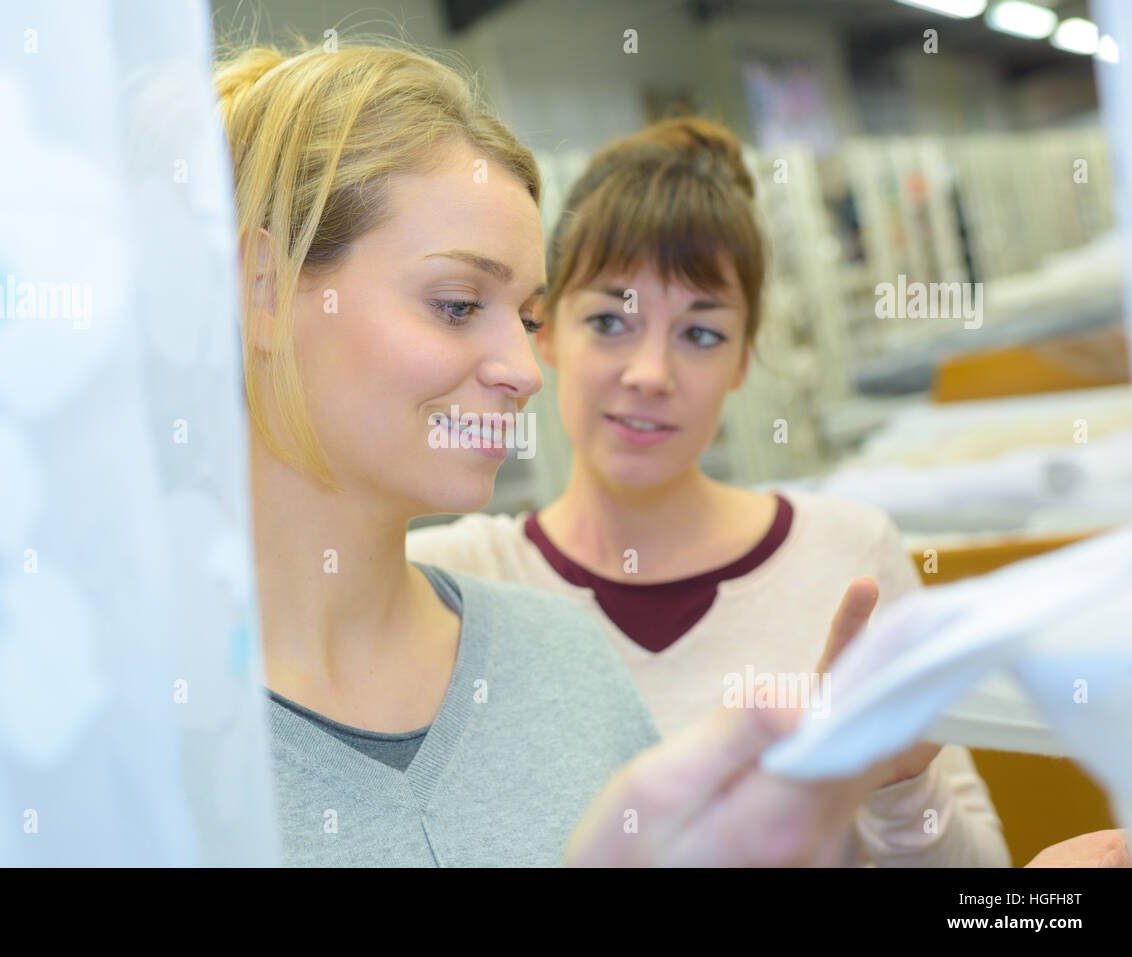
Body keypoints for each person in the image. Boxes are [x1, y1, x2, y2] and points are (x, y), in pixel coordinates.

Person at [215, 38, 897, 867]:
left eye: (529, 317)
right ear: (265, 290)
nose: (521, 370)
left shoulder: (561, 659)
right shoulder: (113, 732)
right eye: (460, 304)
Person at [407, 115, 1011, 866]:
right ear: (545, 332)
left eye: (700, 333)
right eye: (609, 321)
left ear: (742, 359)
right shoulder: (453, 580)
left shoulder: (849, 554)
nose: (650, 374)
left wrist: (893, 784)